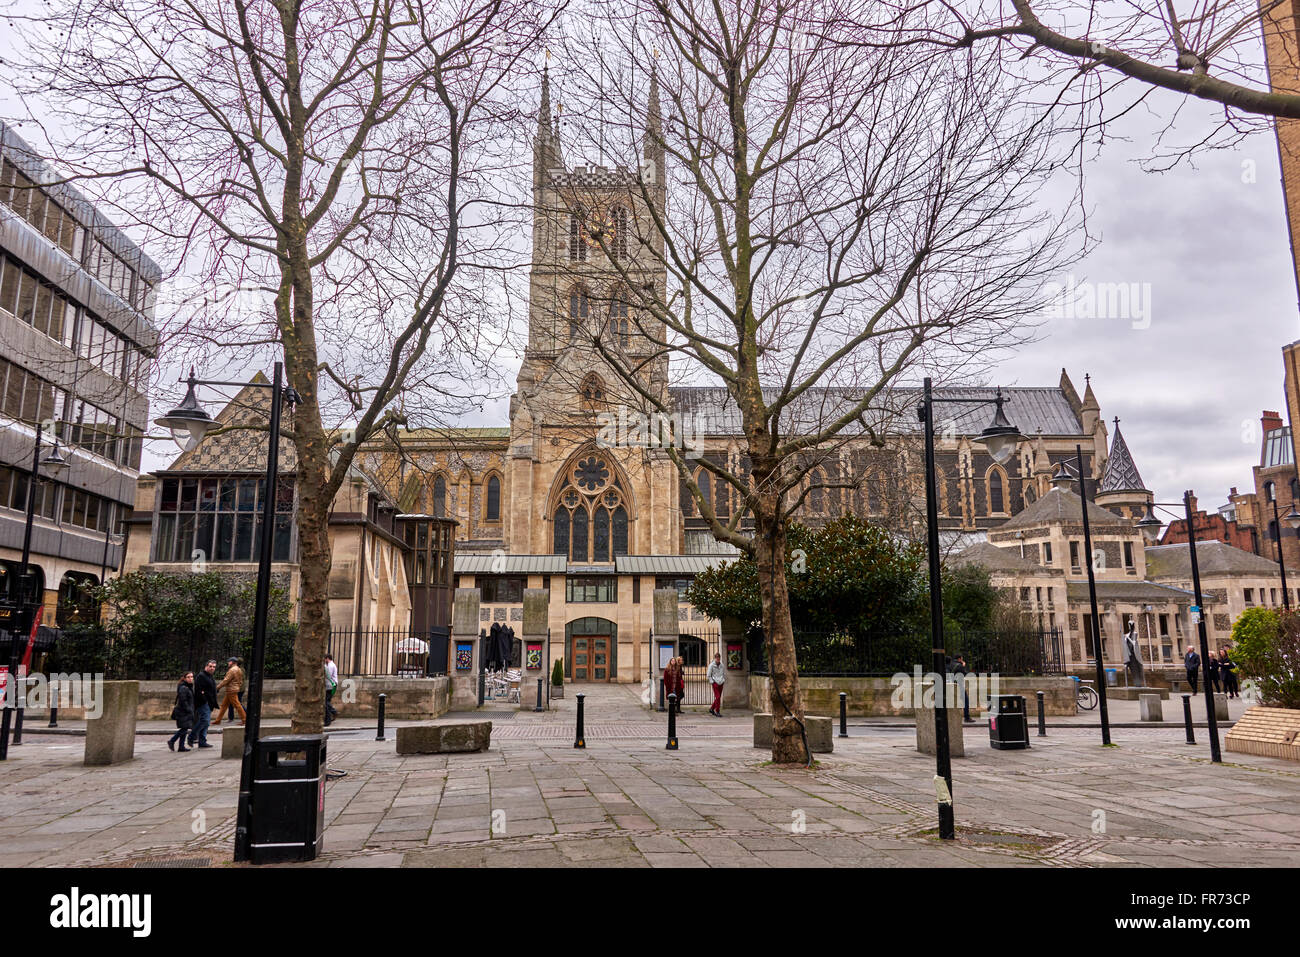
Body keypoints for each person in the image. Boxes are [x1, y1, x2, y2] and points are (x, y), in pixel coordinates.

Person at [188, 660, 218, 749]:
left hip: (209, 703)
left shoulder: (210, 676)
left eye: (214, 667)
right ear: (206, 666)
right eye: (210, 666)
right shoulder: (201, 676)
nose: (212, 668)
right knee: (204, 720)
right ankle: (192, 737)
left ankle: (202, 741)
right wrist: (205, 700)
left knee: (206, 722)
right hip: (203, 703)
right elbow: (199, 691)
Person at [212, 657, 246, 725]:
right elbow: (241, 681)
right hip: (233, 689)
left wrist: (217, 687)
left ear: (232, 662)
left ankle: (244, 719)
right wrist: (238, 687)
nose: (228, 663)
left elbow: (226, 680)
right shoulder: (239, 669)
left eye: (229, 661)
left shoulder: (232, 670)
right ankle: (218, 720)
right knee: (224, 705)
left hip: (231, 690)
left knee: (237, 705)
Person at [168, 672, 195, 752]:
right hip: (183, 711)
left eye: (192, 677)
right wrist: (189, 709)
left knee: (185, 728)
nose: (190, 678)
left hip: (185, 711)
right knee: (183, 729)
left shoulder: (188, 686)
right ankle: (172, 741)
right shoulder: (184, 688)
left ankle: (181, 746)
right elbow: (183, 701)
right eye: (188, 677)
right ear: (184, 678)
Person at [1122, 622, 1144, 688]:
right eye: (1129, 625)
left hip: (1134, 655)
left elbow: (1134, 643)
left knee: (1136, 669)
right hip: (1129, 655)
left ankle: (1138, 683)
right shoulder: (1127, 635)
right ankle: (1131, 683)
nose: (1130, 626)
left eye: (1131, 625)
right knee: (1130, 669)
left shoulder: (1135, 634)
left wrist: (1127, 638)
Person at [951, 654, 971, 722]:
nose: (962, 660)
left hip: (951, 685)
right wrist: (963, 665)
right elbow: (965, 674)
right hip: (959, 685)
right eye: (962, 659)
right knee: (965, 700)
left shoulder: (951, 664)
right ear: (959, 659)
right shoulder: (959, 665)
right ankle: (967, 717)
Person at [707, 652, 726, 717]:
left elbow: (723, 673)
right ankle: (717, 711)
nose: (718, 659)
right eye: (717, 658)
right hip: (715, 682)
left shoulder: (722, 665)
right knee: (717, 697)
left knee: (718, 697)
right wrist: (712, 682)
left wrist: (723, 680)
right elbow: (709, 675)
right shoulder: (711, 665)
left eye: (719, 658)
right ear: (715, 658)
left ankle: (712, 708)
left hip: (721, 682)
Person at [324, 653, 339, 726]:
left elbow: (328, 675)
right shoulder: (332, 665)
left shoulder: (330, 666)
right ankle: (332, 713)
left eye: (325, 659)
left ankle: (332, 713)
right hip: (333, 685)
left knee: (326, 702)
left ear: (327, 658)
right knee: (327, 701)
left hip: (331, 685)